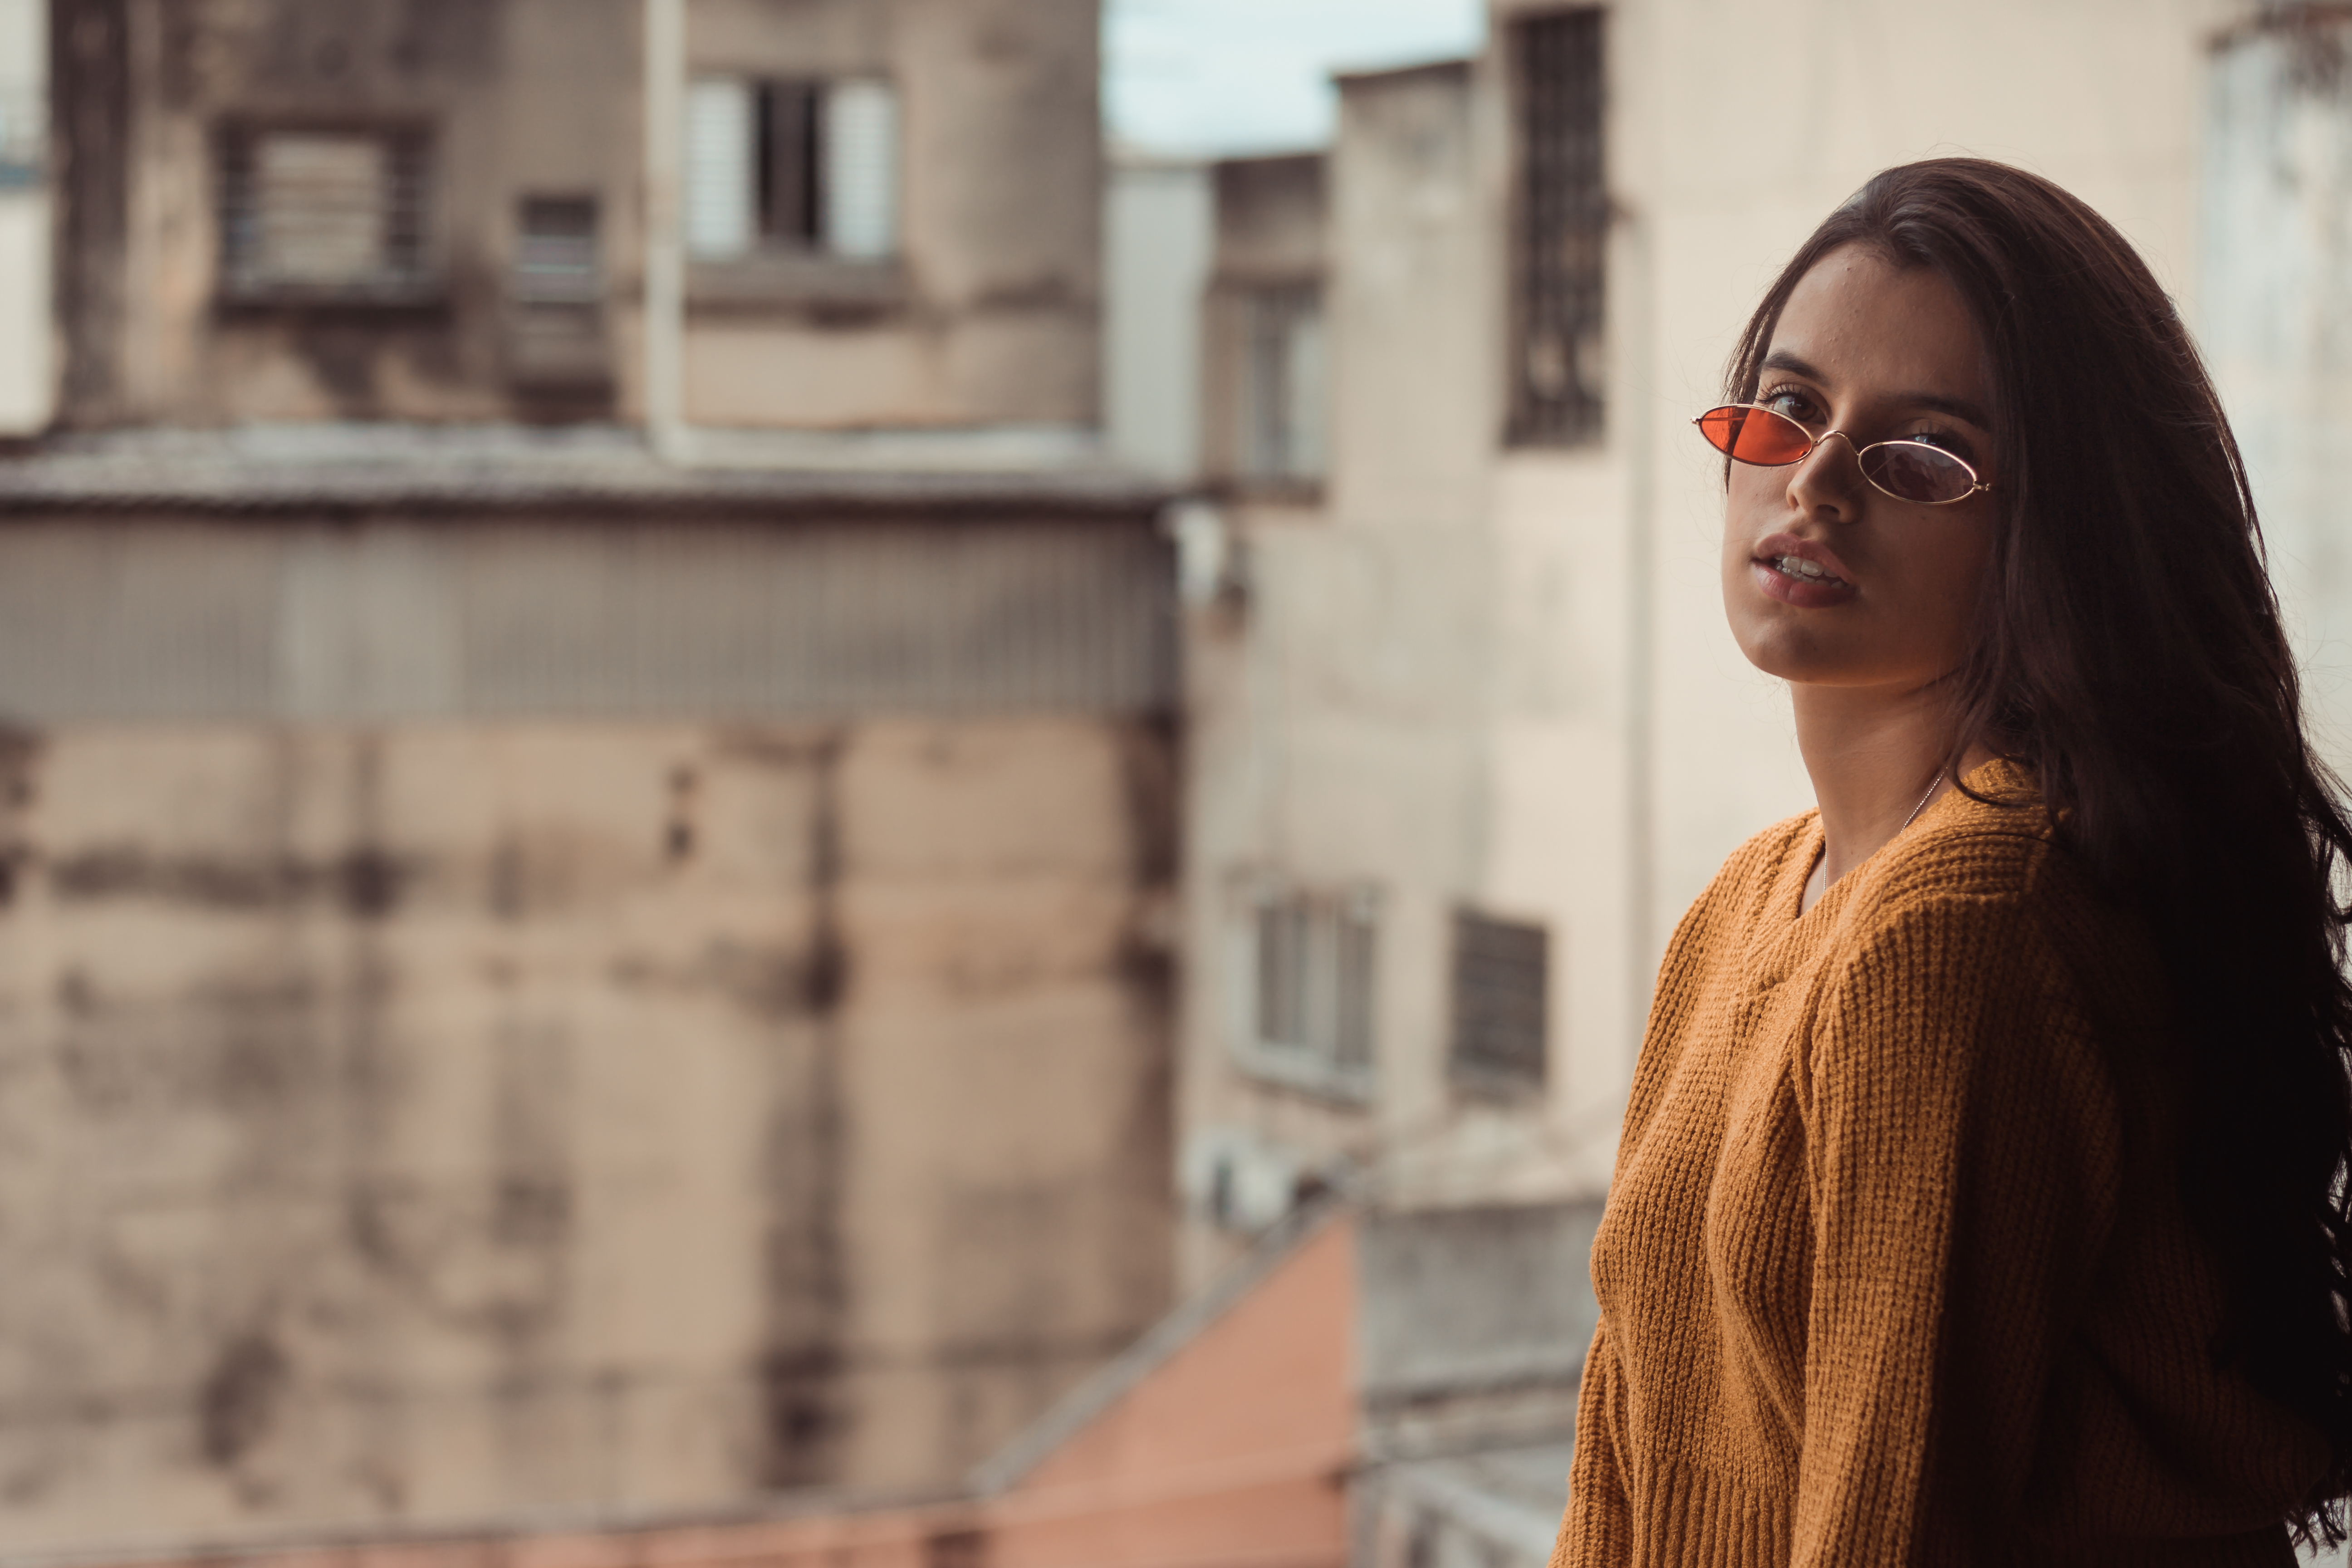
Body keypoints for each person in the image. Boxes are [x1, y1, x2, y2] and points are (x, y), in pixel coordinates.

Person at [1551, 158, 2352, 1566]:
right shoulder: (1750, 904)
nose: (1813, 481)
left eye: (1922, 457)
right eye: (1789, 407)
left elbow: (1900, 1529)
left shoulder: (1962, 931)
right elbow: (1621, 1454)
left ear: (2053, 532)